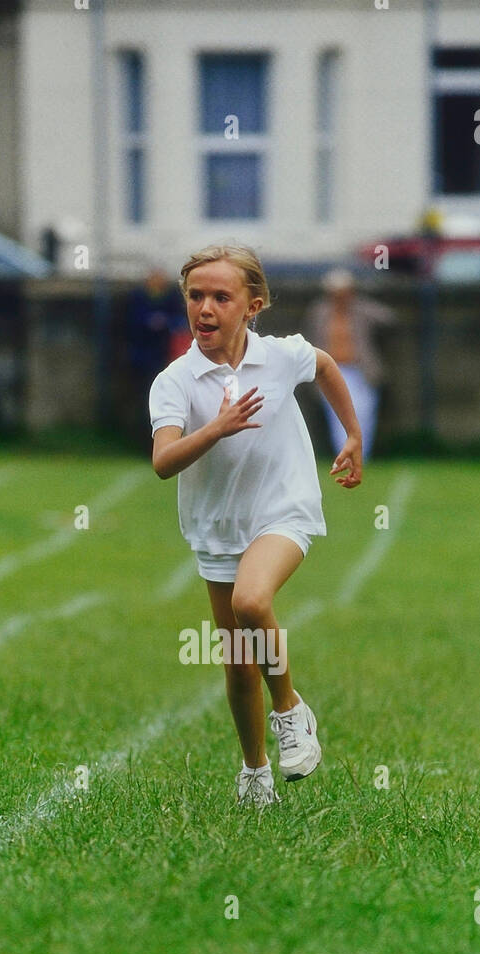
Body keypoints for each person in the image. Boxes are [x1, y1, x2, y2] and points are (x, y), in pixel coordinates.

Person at [149, 244, 362, 807]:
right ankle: (255, 772)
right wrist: (215, 429)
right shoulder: (175, 381)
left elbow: (326, 365)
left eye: (222, 297)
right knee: (239, 662)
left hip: (284, 510)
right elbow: (164, 462)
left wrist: (352, 435)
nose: (206, 308)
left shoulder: (280, 356)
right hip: (217, 527)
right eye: (196, 296)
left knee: (251, 600)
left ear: (254, 305)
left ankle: (291, 710)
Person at [305, 268, 396, 461]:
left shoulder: (360, 309)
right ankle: (344, 454)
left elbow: (389, 318)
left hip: (360, 371)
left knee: (364, 411)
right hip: (331, 371)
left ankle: (361, 454)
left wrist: (360, 302)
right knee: (336, 415)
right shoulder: (320, 311)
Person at [126, 267, 188, 406]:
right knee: (143, 392)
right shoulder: (139, 298)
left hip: (165, 353)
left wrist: (165, 323)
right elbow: (132, 323)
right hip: (143, 354)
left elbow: (180, 323)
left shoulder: (172, 298)